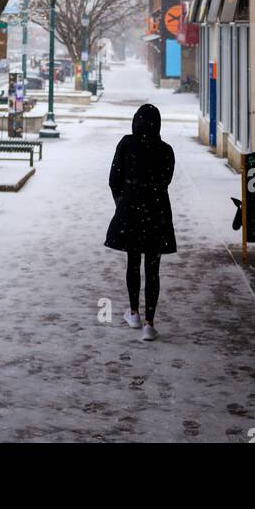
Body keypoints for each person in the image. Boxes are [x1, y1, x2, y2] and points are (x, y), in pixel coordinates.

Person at [104, 103, 176, 340]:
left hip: (132, 213)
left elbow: (114, 179)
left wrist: (123, 203)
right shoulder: (166, 151)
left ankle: (133, 312)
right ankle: (149, 323)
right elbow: (165, 181)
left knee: (133, 262)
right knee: (153, 269)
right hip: (156, 215)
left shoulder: (127, 145)